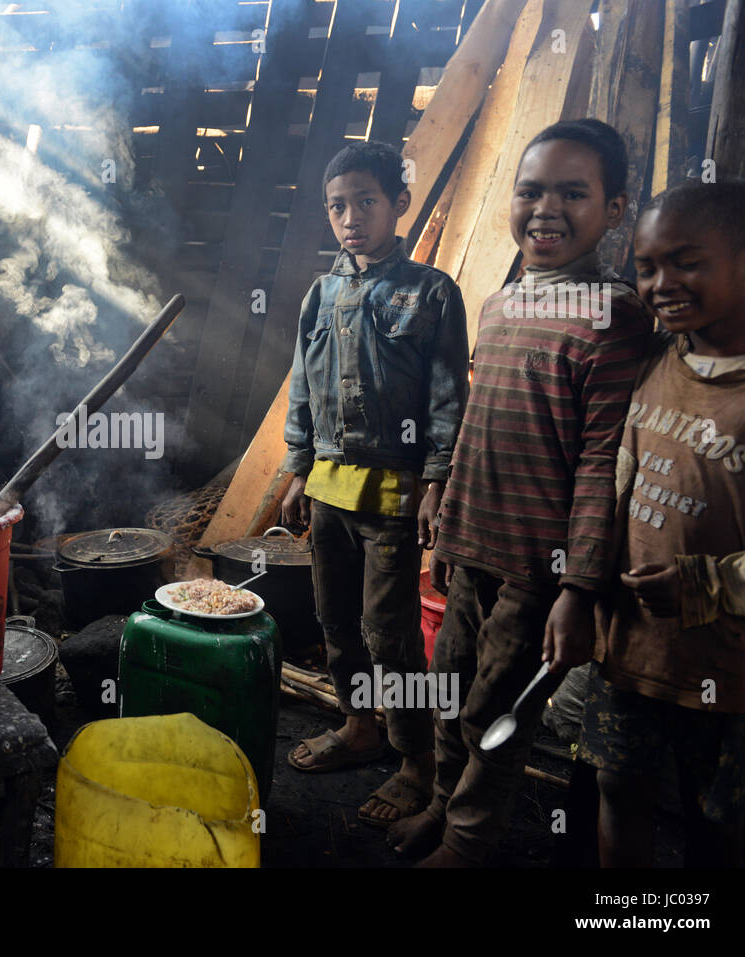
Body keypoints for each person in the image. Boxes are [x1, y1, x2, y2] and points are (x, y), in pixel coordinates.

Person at [388, 119, 654, 865]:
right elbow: (479, 425)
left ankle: (469, 842)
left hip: (540, 567)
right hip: (474, 545)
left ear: (616, 209)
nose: (546, 208)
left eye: (574, 193)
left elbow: (605, 463)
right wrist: (446, 515)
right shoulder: (502, 305)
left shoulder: (615, 315)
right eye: (531, 190)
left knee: (493, 710)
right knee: (447, 692)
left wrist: (578, 585)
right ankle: (443, 805)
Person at [280, 141, 469, 828]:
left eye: (366, 201)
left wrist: (436, 481)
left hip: (392, 491)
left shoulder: (431, 292)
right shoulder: (321, 293)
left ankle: (416, 759)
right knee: (333, 619)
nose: (351, 217)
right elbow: (302, 383)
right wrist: (297, 466)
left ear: (400, 205)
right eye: (338, 206)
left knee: (388, 633)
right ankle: (360, 724)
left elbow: (450, 396)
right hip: (328, 487)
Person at [578, 179, 745, 867]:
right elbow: (614, 485)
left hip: (725, 671)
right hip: (628, 650)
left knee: (714, 824)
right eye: (647, 266)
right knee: (618, 792)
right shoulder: (655, 360)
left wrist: (703, 584)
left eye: (686, 261)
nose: (661, 283)